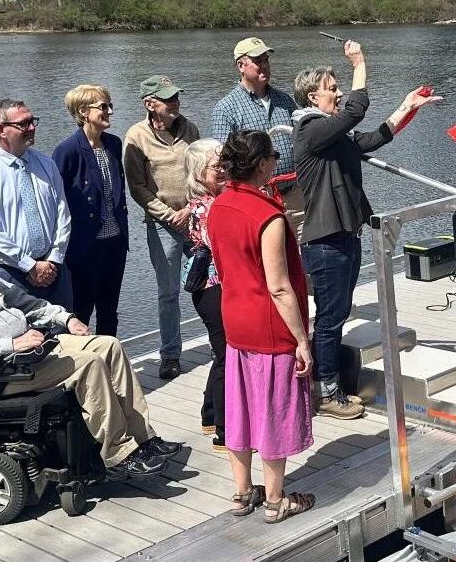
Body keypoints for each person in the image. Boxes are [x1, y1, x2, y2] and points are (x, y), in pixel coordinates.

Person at [0, 203, 180, 477]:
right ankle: (118, 454)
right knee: (88, 364)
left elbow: (24, 301)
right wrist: (11, 346)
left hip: (25, 354)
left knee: (109, 346)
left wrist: (65, 319)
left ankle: (143, 439)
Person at [291, 40, 442, 419]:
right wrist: (359, 62)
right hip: (325, 242)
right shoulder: (311, 130)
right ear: (313, 97)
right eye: (332, 88)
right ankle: (325, 392)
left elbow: (373, 138)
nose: (339, 92)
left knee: (336, 314)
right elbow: (357, 110)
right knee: (329, 318)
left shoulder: (331, 134)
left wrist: (407, 107)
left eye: (340, 85)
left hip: (345, 235)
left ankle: (328, 384)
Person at [206, 130, 315, 524]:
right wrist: (302, 339)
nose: (276, 160)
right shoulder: (267, 216)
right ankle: (274, 499)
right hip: (268, 327)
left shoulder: (218, 206)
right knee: (273, 410)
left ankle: (240, 493)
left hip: (234, 320)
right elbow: (279, 286)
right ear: (263, 164)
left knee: (240, 408)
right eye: (272, 155)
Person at [124, 75, 201, 380]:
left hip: (195, 219)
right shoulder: (136, 137)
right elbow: (138, 188)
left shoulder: (190, 128)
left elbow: (203, 171)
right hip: (162, 225)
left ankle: (222, 340)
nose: (175, 103)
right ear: (150, 104)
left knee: (211, 282)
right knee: (168, 292)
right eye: (168, 99)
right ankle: (170, 354)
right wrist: (170, 215)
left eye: (176, 97)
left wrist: (193, 208)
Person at [0, 99, 73, 308]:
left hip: (55, 270)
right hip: (10, 274)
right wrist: (29, 265)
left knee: (66, 334)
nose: (32, 128)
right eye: (23, 124)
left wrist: (53, 259)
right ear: (1, 130)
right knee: (23, 337)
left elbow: (63, 214)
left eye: (33, 121)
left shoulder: (46, 164)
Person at [209, 37, 305, 239]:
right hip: (255, 198)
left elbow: (301, 141)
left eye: (266, 60)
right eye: (257, 61)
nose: (264, 66)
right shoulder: (226, 109)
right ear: (241, 66)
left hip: (295, 196)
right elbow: (225, 160)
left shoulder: (285, 101)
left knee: (303, 259)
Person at [53, 85, 129, 336]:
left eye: (109, 105)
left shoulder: (114, 144)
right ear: (84, 112)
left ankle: (110, 364)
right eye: (103, 107)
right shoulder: (67, 151)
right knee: (81, 310)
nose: (109, 111)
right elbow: (58, 201)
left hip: (115, 242)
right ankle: (83, 367)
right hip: (85, 247)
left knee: (110, 310)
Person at [180, 139, 229, 452]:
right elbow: (222, 248)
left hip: (210, 288)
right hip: (212, 289)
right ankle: (226, 432)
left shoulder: (208, 201)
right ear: (199, 174)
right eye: (216, 166)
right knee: (227, 355)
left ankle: (210, 414)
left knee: (220, 351)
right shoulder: (206, 207)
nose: (223, 169)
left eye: (225, 163)